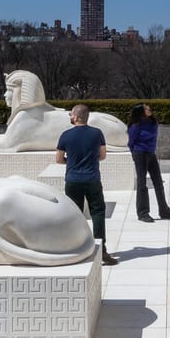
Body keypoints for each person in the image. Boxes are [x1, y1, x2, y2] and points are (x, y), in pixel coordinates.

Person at [56, 104, 119, 266]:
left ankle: (75, 248)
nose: (70, 116)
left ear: (77, 117)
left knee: (75, 214)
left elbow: (58, 159)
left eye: (71, 114)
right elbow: (102, 156)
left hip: (72, 180)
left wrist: (72, 162)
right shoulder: (97, 134)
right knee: (97, 212)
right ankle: (102, 249)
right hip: (92, 179)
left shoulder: (65, 135)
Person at [128, 103, 170, 223]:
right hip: (140, 154)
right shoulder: (136, 126)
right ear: (140, 111)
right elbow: (131, 143)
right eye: (146, 108)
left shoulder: (153, 122)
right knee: (142, 183)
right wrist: (135, 155)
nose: (149, 109)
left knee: (158, 182)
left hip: (151, 154)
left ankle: (164, 210)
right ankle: (143, 213)